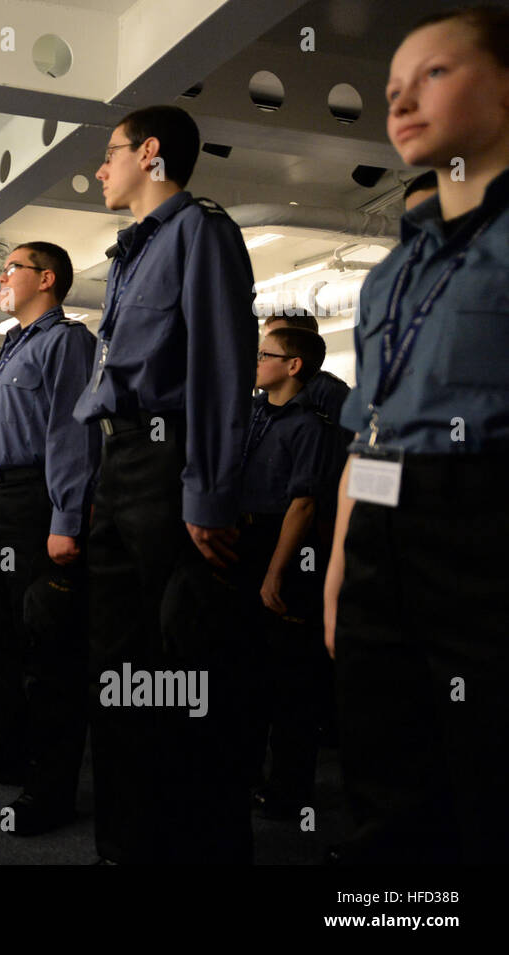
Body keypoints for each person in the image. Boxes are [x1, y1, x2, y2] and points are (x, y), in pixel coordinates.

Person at [325, 5, 509, 864]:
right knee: (385, 772)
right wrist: (339, 565)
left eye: (433, 74)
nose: (400, 100)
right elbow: (368, 431)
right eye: (391, 87)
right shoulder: (393, 273)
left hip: (483, 518)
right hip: (381, 525)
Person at [74, 105, 258, 862]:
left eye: (109, 153)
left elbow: (221, 365)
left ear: (149, 153)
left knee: (184, 672)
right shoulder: (129, 255)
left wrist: (209, 489)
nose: (99, 169)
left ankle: (197, 846)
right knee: (118, 667)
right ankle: (128, 838)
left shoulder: (200, 232)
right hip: (120, 466)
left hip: (170, 463)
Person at [0, 247, 99, 838]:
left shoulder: (67, 342)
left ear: (46, 279)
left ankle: (49, 786)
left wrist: (66, 515)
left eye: (12, 269)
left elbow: (70, 433)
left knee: (46, 650)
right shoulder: (10, 345)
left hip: (37, 501)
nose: (1, 278)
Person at [236, 326, 335, 818]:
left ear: (293, 366)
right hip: (246, 542)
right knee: (249, 674)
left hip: (285, 549)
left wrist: (274, 575)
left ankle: (289, 792)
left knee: (291, 682)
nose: (255, 362)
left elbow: (303, 505)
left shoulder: (308, 426)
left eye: (265, 355)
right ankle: (246, 774)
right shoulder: (252, 414)